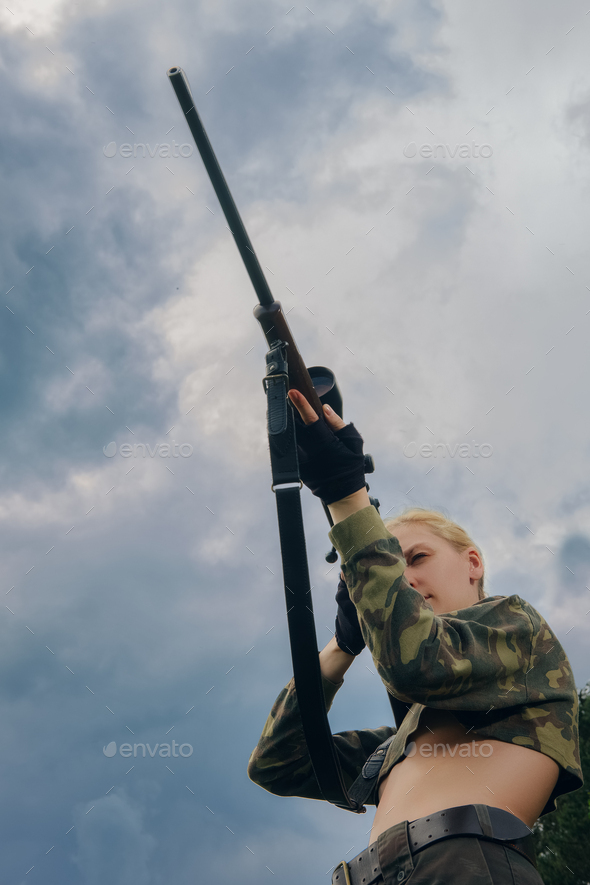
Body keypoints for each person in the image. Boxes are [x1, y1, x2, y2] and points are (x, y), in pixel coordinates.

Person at [247, 390, 583, 885]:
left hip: (460, 866)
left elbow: (418, 665)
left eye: (417, 558)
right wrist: (342, 645)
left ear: (472, 562)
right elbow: (279, 762)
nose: (403, 579)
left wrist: (347, 498)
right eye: (392, 569)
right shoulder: (401, 745)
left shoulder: (516, 626)